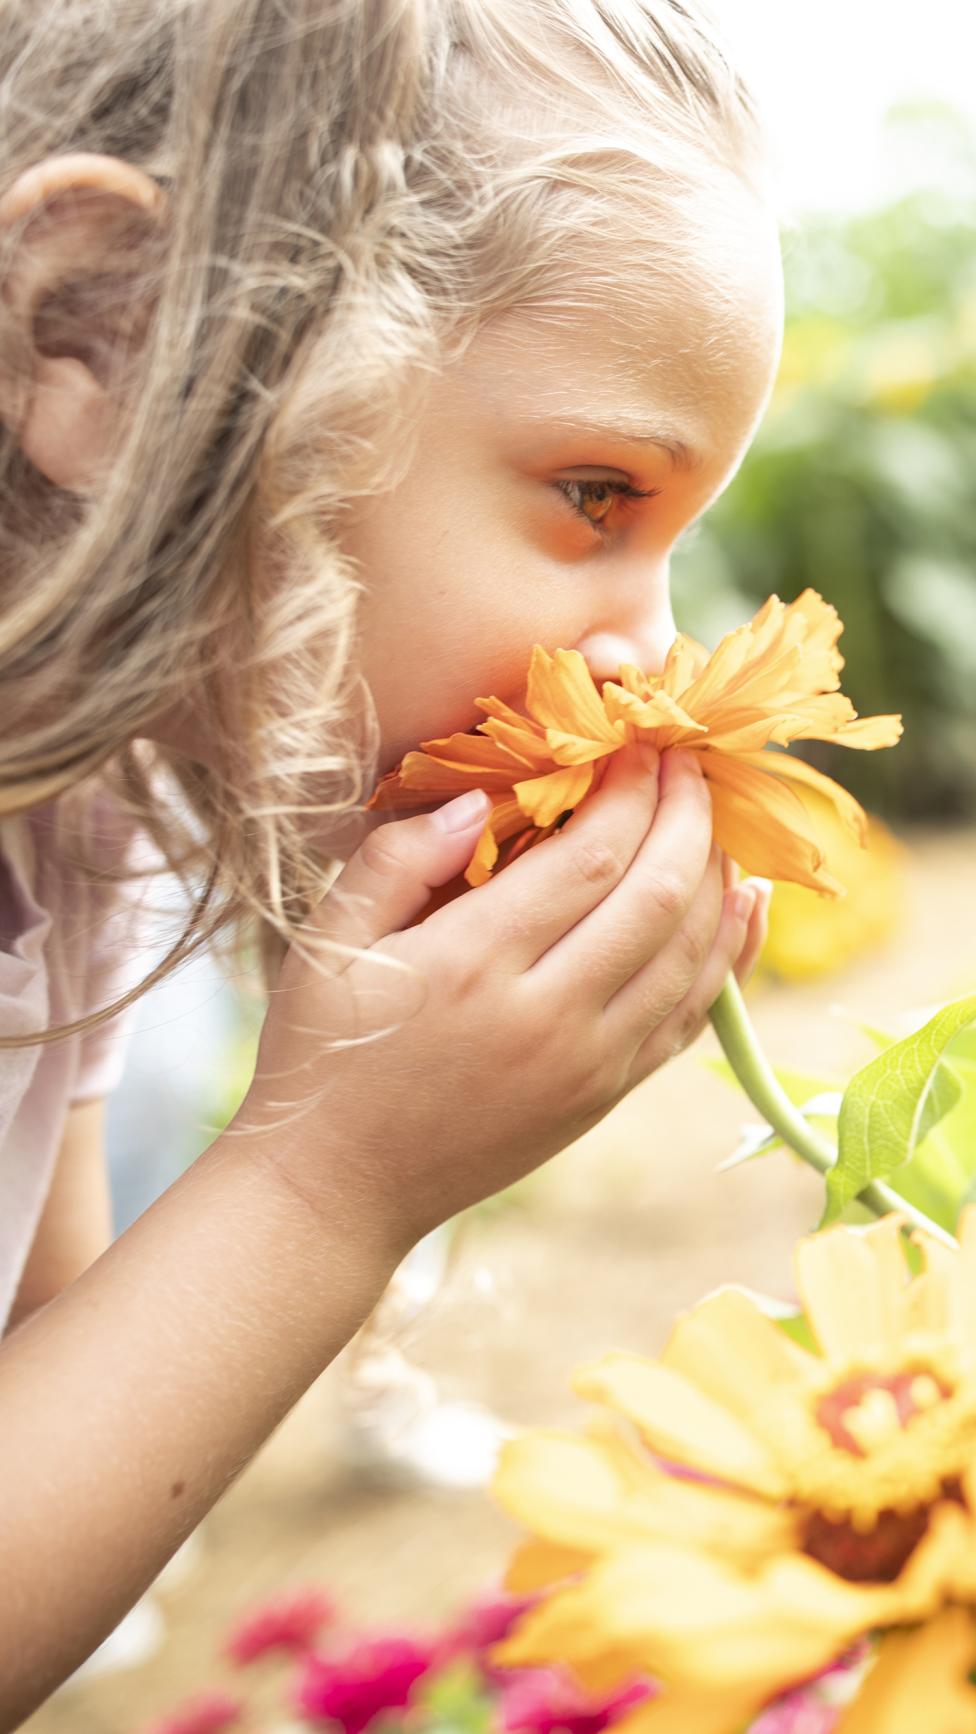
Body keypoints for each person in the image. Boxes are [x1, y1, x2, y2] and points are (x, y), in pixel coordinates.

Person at [0, 0, 788, 1714]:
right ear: (102, 335)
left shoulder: (78, 824)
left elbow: (41, 1387)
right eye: (599, 495)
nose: (653, 651)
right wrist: (324, 1179)